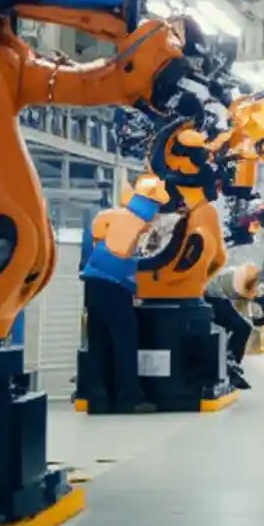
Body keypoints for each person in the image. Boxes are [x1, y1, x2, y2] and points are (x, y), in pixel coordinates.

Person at [80, 176, 170, 413]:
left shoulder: (113, 215)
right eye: (157, 206)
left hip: (92, 284)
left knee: (98, 342)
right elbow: (119, 257)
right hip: (112, 287)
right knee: (125, 341)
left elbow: (100, 245)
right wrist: (161, 260)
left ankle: (97, 398)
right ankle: (128, 398)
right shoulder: (133, 223)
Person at [204, 232, 264, 389]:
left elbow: (247, 295)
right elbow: (243, 288)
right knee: (241, 327)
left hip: (221, 294)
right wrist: (260, 304)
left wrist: (260, 312)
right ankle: (230, 366)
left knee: (241, 326)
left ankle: (230, 365)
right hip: (212, 294)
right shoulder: (257, 263)